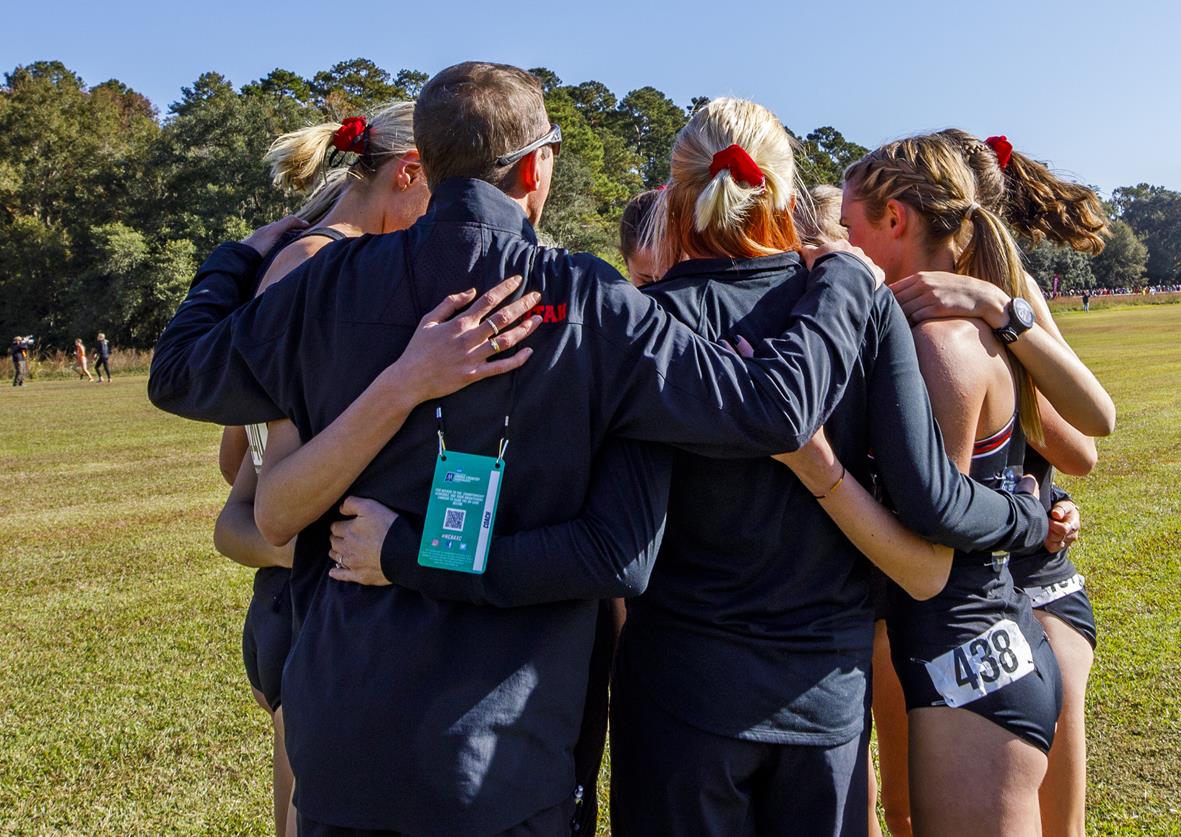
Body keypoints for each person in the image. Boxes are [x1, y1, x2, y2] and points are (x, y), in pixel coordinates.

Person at [148, 61, 883, 837]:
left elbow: (178, 372)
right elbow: (773, 409)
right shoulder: (587, 299)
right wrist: (838, 276)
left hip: (343, 737)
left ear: (423, 164)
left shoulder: (328, 282)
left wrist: (242, 252)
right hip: (502, 750)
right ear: (536, 165)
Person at [325, 99, 1074, 837]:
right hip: (824, 707)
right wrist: (1029, 514)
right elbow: (935, 501)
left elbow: (609, 549)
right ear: (782, 195)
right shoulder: (857, 306)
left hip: (681, 712)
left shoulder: (640, 321)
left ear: (675, 200)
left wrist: (409, 549)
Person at [843, 133, 1116, 837]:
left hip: (987, 625)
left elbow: (1086, 436)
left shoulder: (963, 325)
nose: (844, 244)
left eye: (849, 226)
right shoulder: (915, 318)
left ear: (898, 218)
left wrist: (817, 471)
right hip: (967, 624)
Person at [207, 101, 431, 837]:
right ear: (409, 172)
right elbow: (261, 475)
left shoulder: (302, 255)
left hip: (287, 592)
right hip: (310, 601)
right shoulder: (328, 267)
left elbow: (235, 456)